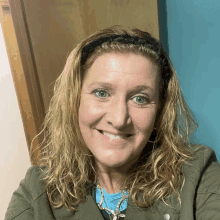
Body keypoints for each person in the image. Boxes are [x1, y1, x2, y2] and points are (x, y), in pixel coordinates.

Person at [5, 25, 220, 220]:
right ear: (75, 100)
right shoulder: (38, 189)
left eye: (140, 99)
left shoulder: (197, 175)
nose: (119, 120)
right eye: (101, 93)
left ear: (160, 112)